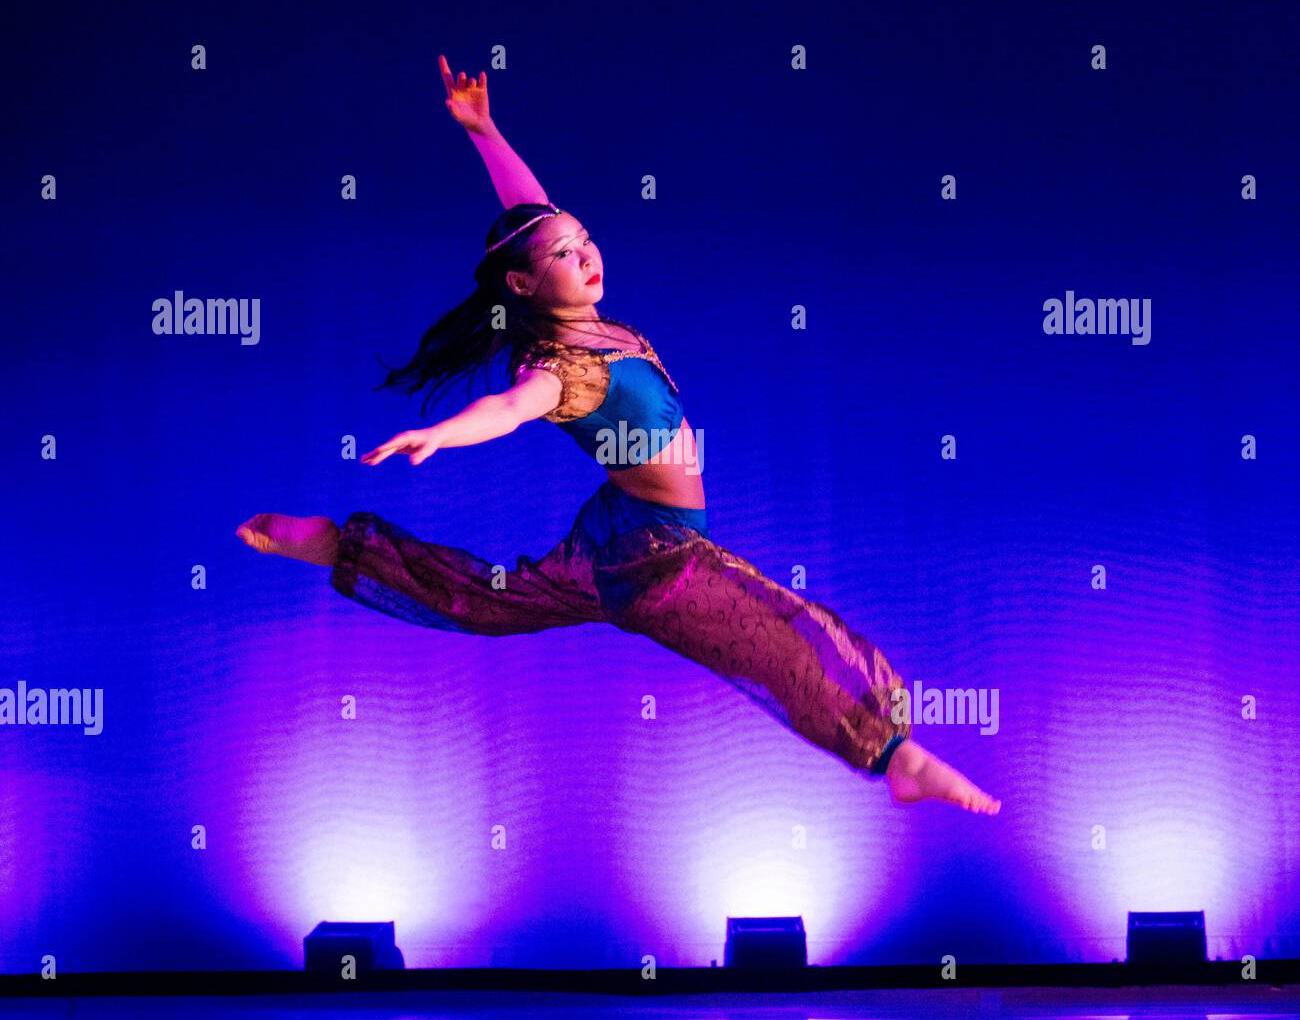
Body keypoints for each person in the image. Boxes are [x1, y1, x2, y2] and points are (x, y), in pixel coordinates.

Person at [237, 55, 1000, 814]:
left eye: (585, 240)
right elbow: (508, 408)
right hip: (653, 556)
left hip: (625, 525)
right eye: (565, 256)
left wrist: (484, 131)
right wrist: (441, 432)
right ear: (525, 287)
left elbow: (532, 212)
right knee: (782, 633)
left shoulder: (588, 321)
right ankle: (901, 757)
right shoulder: (562, 367)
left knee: (497, 600)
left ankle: (338, 546)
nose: (586, 255)